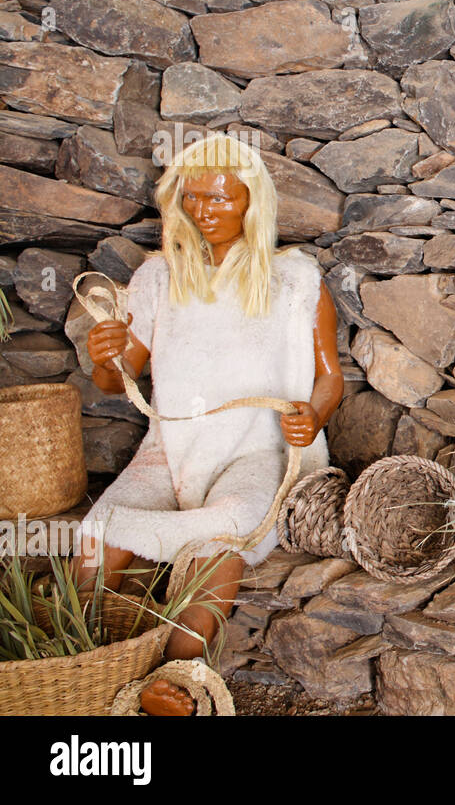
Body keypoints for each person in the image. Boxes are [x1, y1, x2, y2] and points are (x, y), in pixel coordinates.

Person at [75, 134, 343, 714]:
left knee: (224, 537)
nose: (204, 212)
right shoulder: (156, 278)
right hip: (170, 445)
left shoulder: (295, 280)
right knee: (99, 533)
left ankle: (177, 675)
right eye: (193, 199)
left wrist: (313, 414)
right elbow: (113, 382)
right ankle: (79, 657)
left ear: (253, 202)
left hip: (258, 448)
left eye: (220, 199)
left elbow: (330, 377)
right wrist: (104, 357)